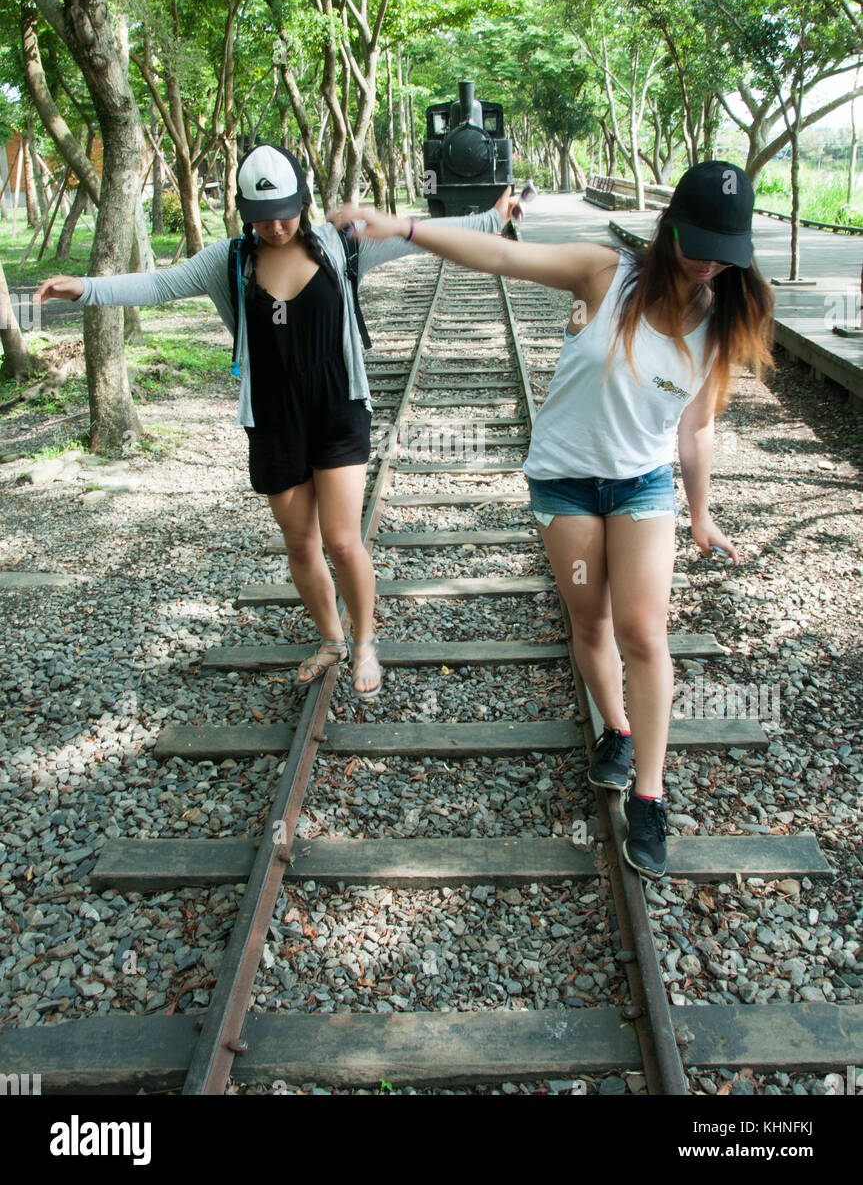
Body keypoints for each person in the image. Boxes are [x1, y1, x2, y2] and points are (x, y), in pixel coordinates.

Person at [327, 160, 774, 875]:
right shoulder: (606, 273)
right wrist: (406, 227)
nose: (709, 264)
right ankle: (616, 730)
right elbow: (504, 255)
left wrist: (701, 514)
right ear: (669, 230)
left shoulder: (723, 315)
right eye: (699, 245)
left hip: (643, 489)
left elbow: (694, 429)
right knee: (590, 619)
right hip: (564, 484)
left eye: (725, 251)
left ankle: (650, 798)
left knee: (643, 632)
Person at [35, 144, 516, 700]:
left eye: (286, 210)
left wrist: (488, 218)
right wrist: (86, 289)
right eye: (262, 215)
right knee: (300, 543)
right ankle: (331, 638)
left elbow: (418, 239)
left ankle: (365, 643)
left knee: (341, 539)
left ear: (304, 201)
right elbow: (161, 285)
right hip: (272, 415)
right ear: (244, 212)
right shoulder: (232, 259)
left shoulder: (340, 243)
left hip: (337, 406)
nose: (277, 224)